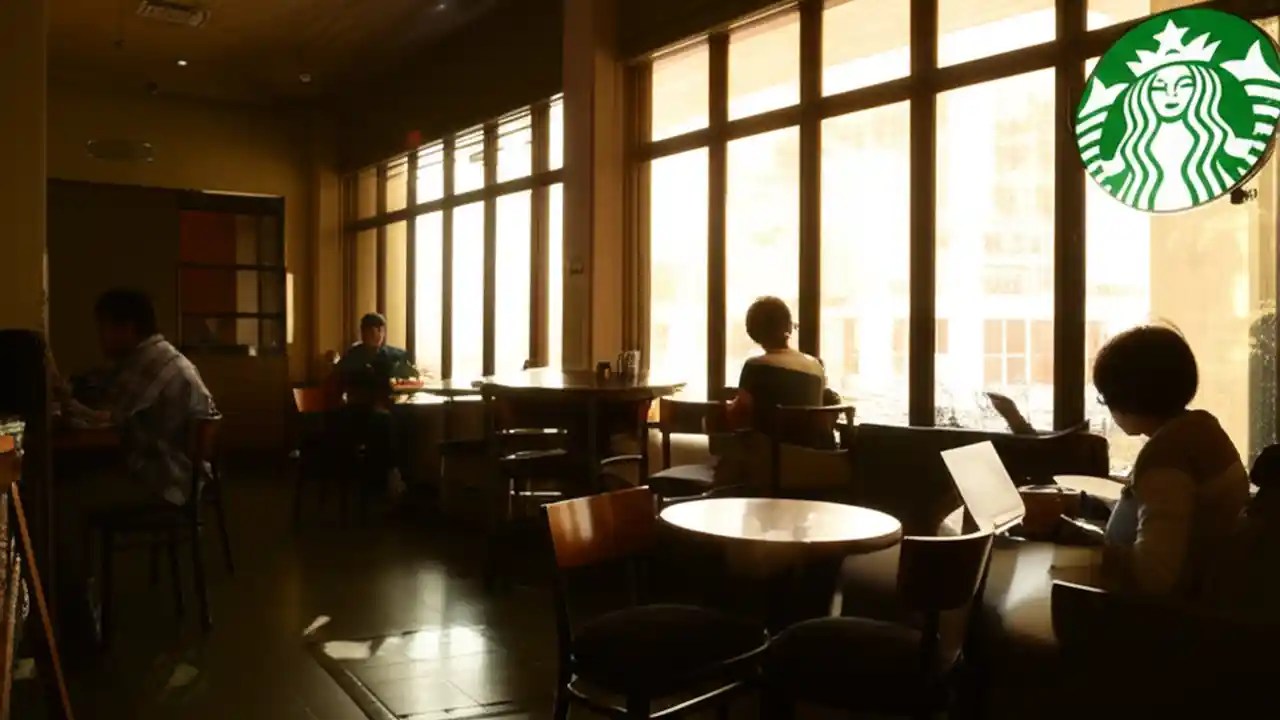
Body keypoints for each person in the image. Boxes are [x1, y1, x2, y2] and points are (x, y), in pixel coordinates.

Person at [59, 289, 217, 638]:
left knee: (65, 502)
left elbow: (110, 421)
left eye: (103, 328)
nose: (100, 337)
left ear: (126, 328)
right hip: (171, 473)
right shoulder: (154, 357)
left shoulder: (150, 363)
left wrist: (64, 404)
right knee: (72, 485)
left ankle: (76, 616)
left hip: (164, 481)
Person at [1079, 325, 1249, 601]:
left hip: (1165, 621)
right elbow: (1165, 514)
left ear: (1126, 397)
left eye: (1105, 396)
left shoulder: (1165, 459)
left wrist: (1086, 551)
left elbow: (1155, 576)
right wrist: (1088, 509)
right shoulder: (1201, 428)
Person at [334, 313, 417, 388]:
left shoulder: (396, 355)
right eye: (372, 331)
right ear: (363, 333)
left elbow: (411, 376)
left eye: (381, 330)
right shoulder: (352, 356)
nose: (378, 335)